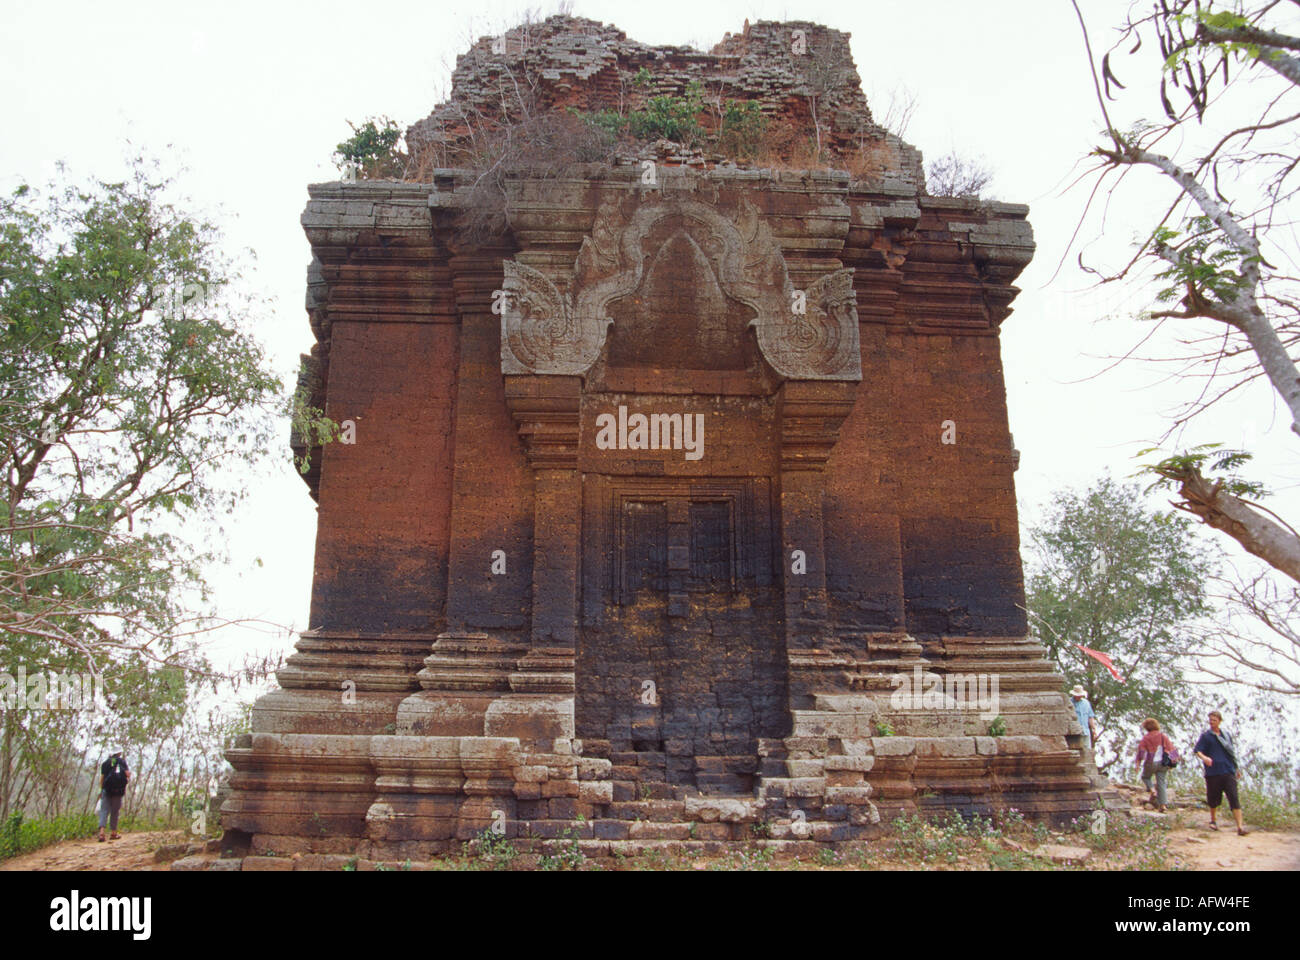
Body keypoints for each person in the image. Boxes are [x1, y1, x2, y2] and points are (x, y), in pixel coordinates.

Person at [1193, 711, 1247, 836]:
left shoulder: (1226, 735)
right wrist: (1204, 758)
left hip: (1228, 770)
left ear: (1220, 721)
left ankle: (1240, 827)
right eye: (1210, 720)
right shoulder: (1206, 736)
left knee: (1234, 797)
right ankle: (1213, 820)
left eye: (1214, 720)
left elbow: (1231, 753)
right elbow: (1197, 750)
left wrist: (1236, 768)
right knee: (1213, 798)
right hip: (1213, 772)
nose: (1212, 722)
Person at [1134, 718, 1179, 813]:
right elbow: (1171, 748)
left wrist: (1137, 764)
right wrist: (1174, 760)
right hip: (1163, 763)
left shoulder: (1146, 738)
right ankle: (1163, 806)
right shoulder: (1162, 736)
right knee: (1161, 783)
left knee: (1145, 777)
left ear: (1146, 727)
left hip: (1151, 763)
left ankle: (1152, 790)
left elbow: (1141, 753)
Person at [98, 749, 130, 842]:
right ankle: (113, 833)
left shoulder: (105, 763)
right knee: (115, 811)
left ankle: (101, 833)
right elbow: (127, 775)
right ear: (119, 753)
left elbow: (102, 778)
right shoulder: (122, 762)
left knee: (104, 810)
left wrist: (101, 790)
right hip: (118, 791)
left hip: (106, 790)